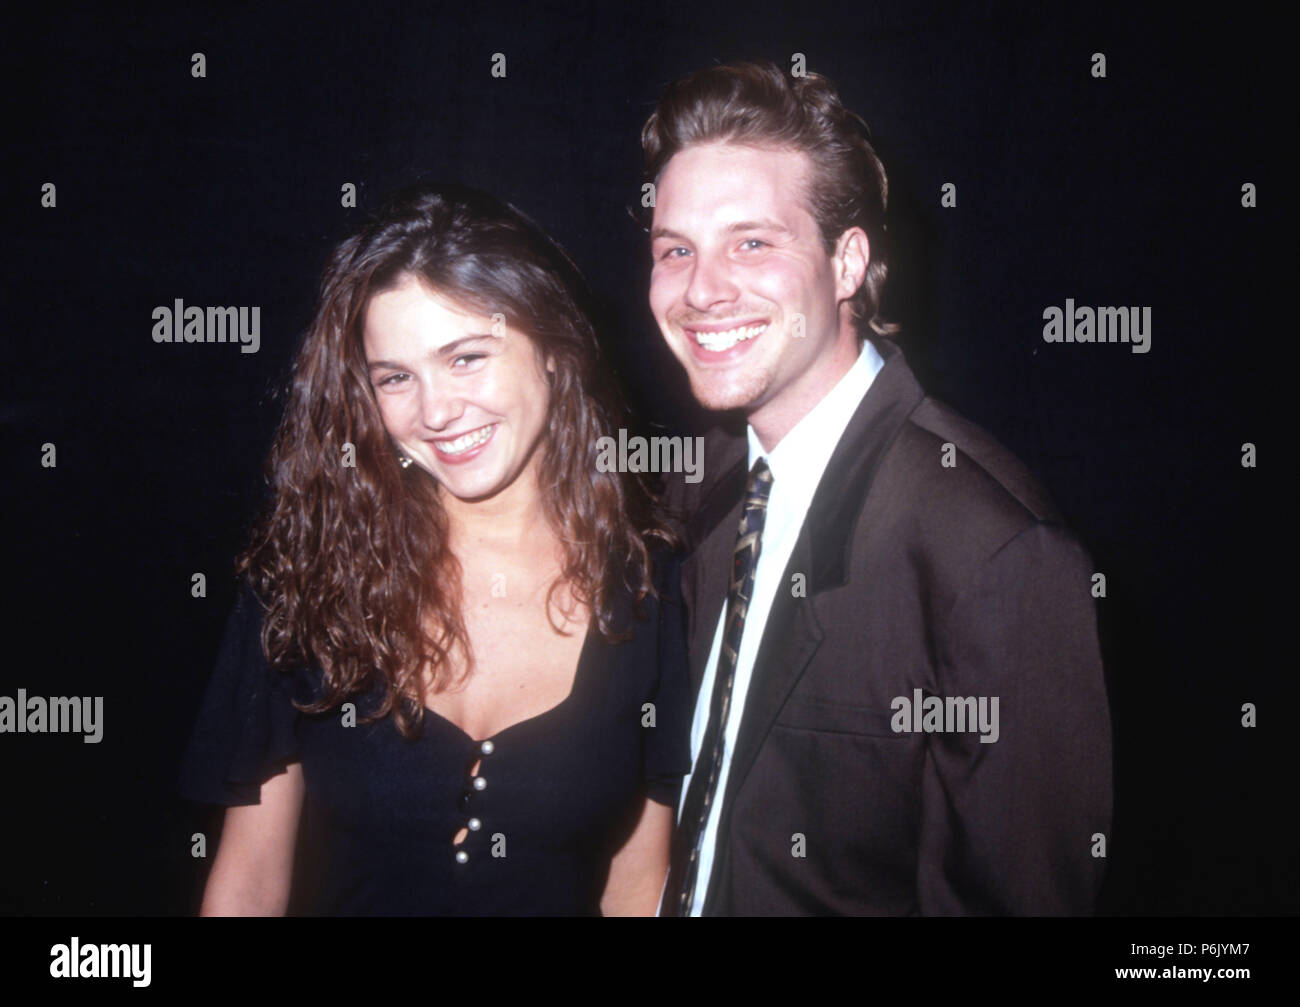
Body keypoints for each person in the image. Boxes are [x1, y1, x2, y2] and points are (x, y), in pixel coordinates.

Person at [642, 61, 1113, 915]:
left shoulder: (994, 549)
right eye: (677, 250)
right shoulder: (698, 483)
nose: (702, 289)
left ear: (847, 262)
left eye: (752, 243)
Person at [178, 182, 690, 916]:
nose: (436, 411)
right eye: (396, 378)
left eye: (467, 357)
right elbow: (248, 887)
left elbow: (638, 889)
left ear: (553, 349)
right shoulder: (310, 576)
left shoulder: (650, 589)